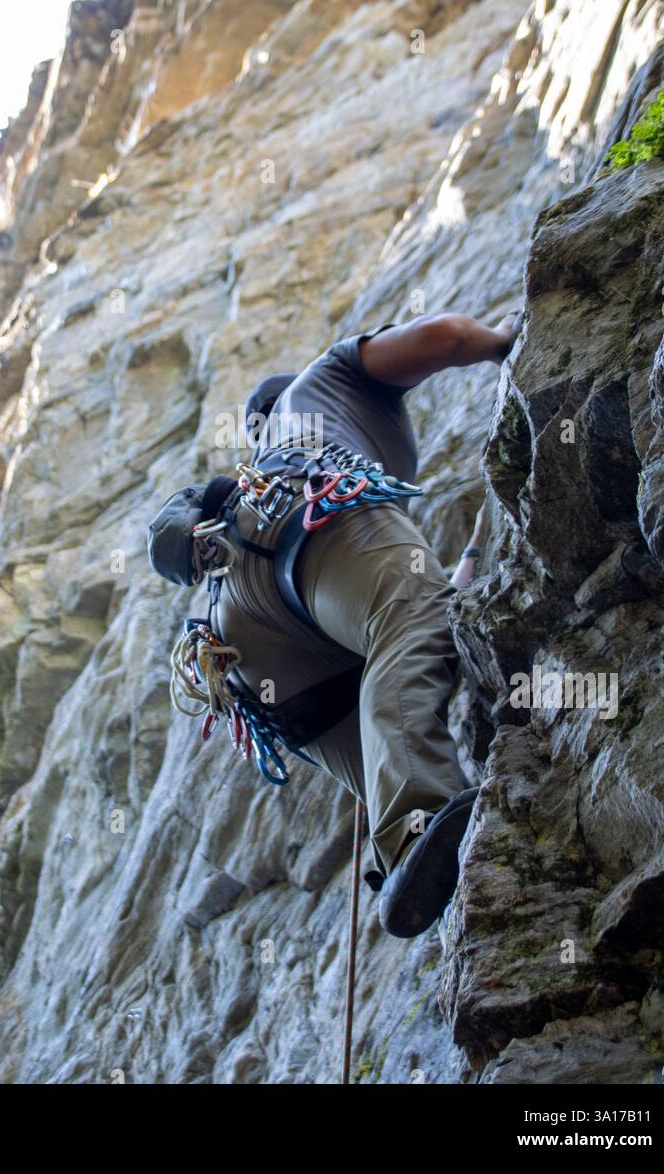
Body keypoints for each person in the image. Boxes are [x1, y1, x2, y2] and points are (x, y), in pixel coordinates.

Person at [149, 312, 518, 937]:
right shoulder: (328, 379)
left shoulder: (254, 470)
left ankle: (407, 856)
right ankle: (414, 824)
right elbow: (445, 337)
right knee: (406, 640)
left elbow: (426, 626)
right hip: (306, 517)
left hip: (241, 646)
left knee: (394, 729)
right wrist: (508, 338)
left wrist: (468, 571)